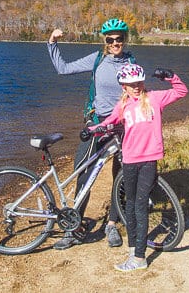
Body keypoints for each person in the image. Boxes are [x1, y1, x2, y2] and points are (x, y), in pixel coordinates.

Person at [46, 18, 137, 249]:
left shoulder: (131, 61)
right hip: (96, 124)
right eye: (111, 39)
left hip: (123, 127)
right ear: (105, 41)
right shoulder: (97, 60)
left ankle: (112, 224)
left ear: (125, 40)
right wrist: (52, 43)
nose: (115, 42)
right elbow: (63, 68)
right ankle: (74, 228)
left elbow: (139, 92)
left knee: (122, 175)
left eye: (119, 39)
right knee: (83, 173)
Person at [88, 63, 187, 272]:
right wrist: (91, 130)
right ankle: (133, 249)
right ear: (123, 86)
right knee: (131, 205)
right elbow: (109, 122)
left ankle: (140, 258)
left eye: (139, 82)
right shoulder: (122, 105)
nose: (136, 87)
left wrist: (171, 76)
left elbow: (181, 91)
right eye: (131, 84)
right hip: (129, 161)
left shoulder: (155, 98)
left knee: (141, 206)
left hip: (149, 160)